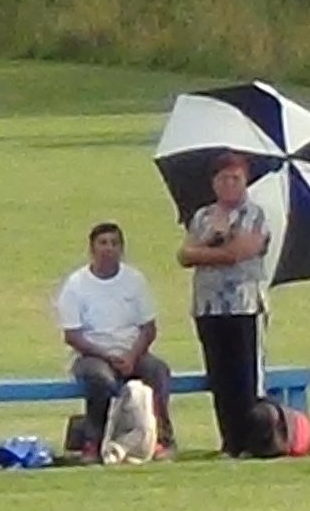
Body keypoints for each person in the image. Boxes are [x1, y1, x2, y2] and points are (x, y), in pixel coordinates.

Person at [56, 221, 175, 460]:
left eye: (114, 243)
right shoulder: (76, 285)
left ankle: (162, 439)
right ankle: (93, 442)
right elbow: (72, 335)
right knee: (100, 379)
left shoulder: (135, 280)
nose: (108, 248)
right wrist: (106, 356)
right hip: (91, 354)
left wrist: (131, 356)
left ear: (122, 248)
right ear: (92, 249)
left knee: (158, 371)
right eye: (103, 243)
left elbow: (148, 328)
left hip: (133, 352)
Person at [177, 151, 270, 456]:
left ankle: (252, 440)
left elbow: (241, 251)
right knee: (220, 376)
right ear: (213, 183)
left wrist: (211, 249)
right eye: (223, 178)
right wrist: (213, 240)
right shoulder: (202, 216)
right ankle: (229, 441)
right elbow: (184, 255)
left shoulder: (254, 214)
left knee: (245, 376)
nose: (229, 184)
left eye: (236, 178)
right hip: (208, 307)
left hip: (243, 305)